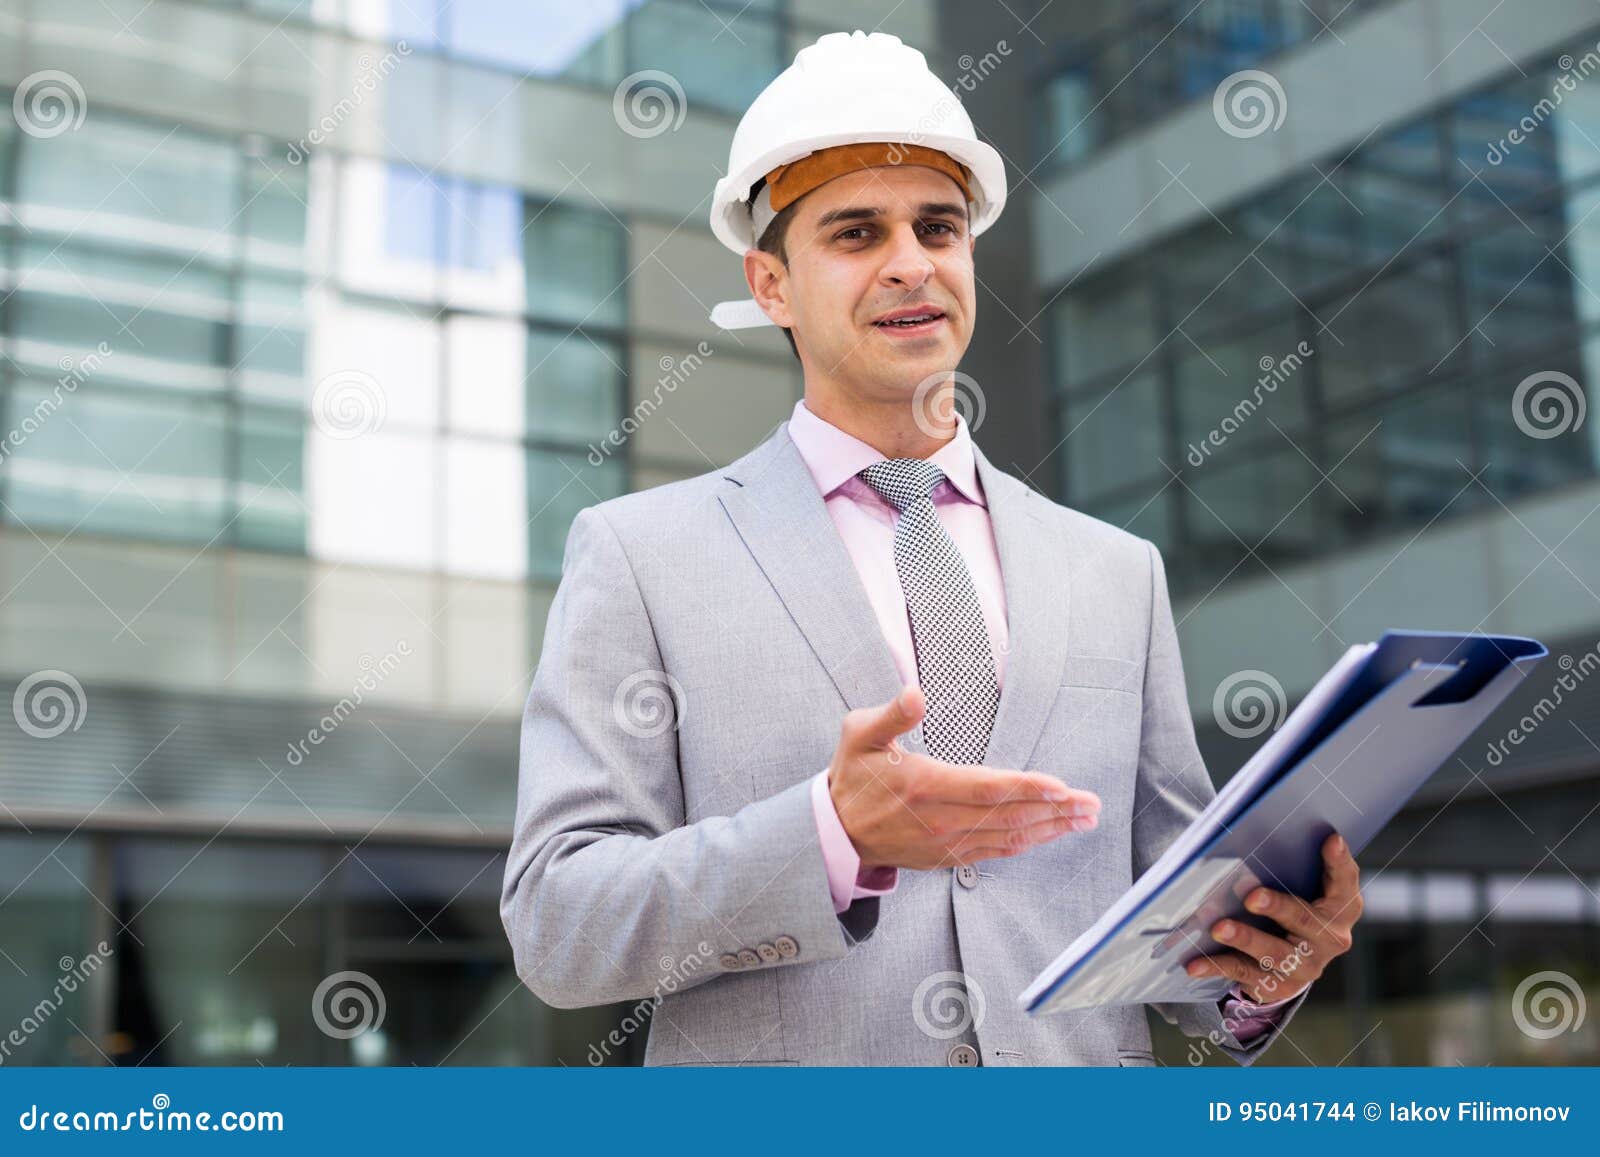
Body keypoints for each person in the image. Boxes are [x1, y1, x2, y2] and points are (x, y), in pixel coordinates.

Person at [500, 30, 1363, 1066]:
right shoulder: (641, 556)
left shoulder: (1113, 571)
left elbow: (1166, 936)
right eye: (856, 233)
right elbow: (557, 921)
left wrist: (1265, 961)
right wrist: (828, 832)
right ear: (770, 284)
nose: (910, 262)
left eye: (937, 227)